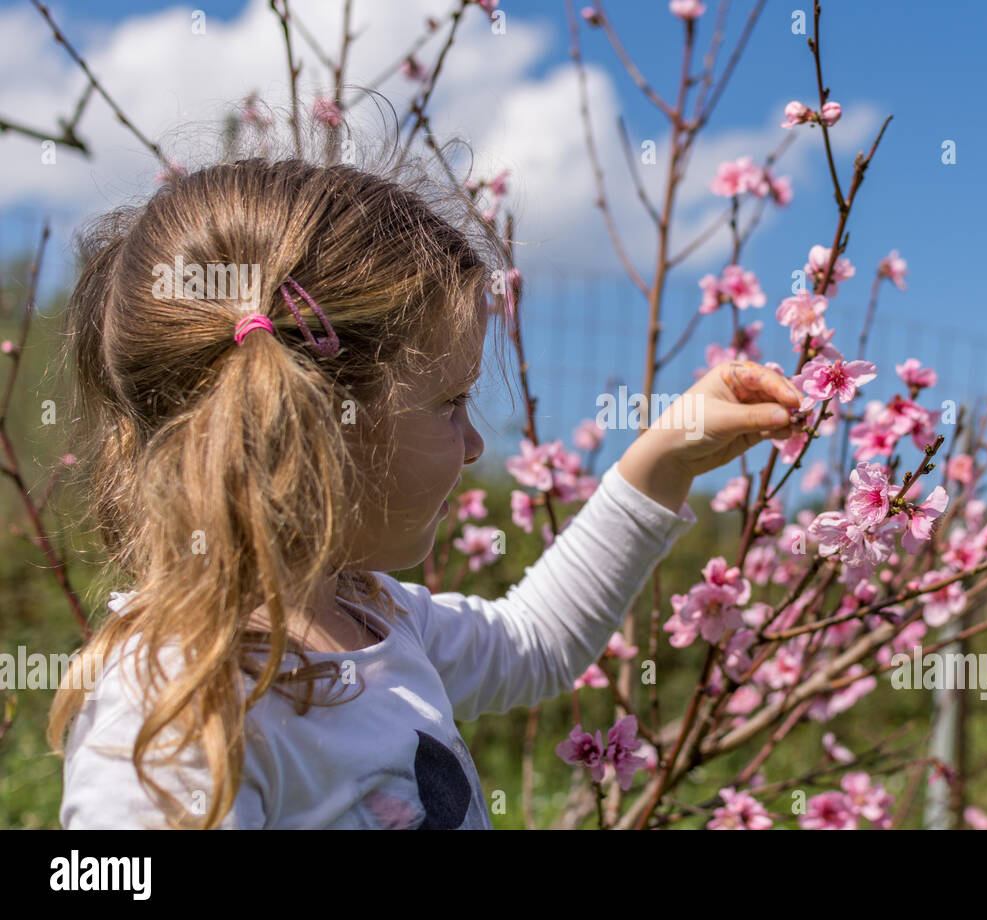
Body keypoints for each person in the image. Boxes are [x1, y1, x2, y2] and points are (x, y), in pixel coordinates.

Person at [48, 156, 801, 829]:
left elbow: (533, 644)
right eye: (451, 402)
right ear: (320, 421)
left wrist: (661, 461)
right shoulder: (173, 711)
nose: (476, 445)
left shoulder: (371, 614)